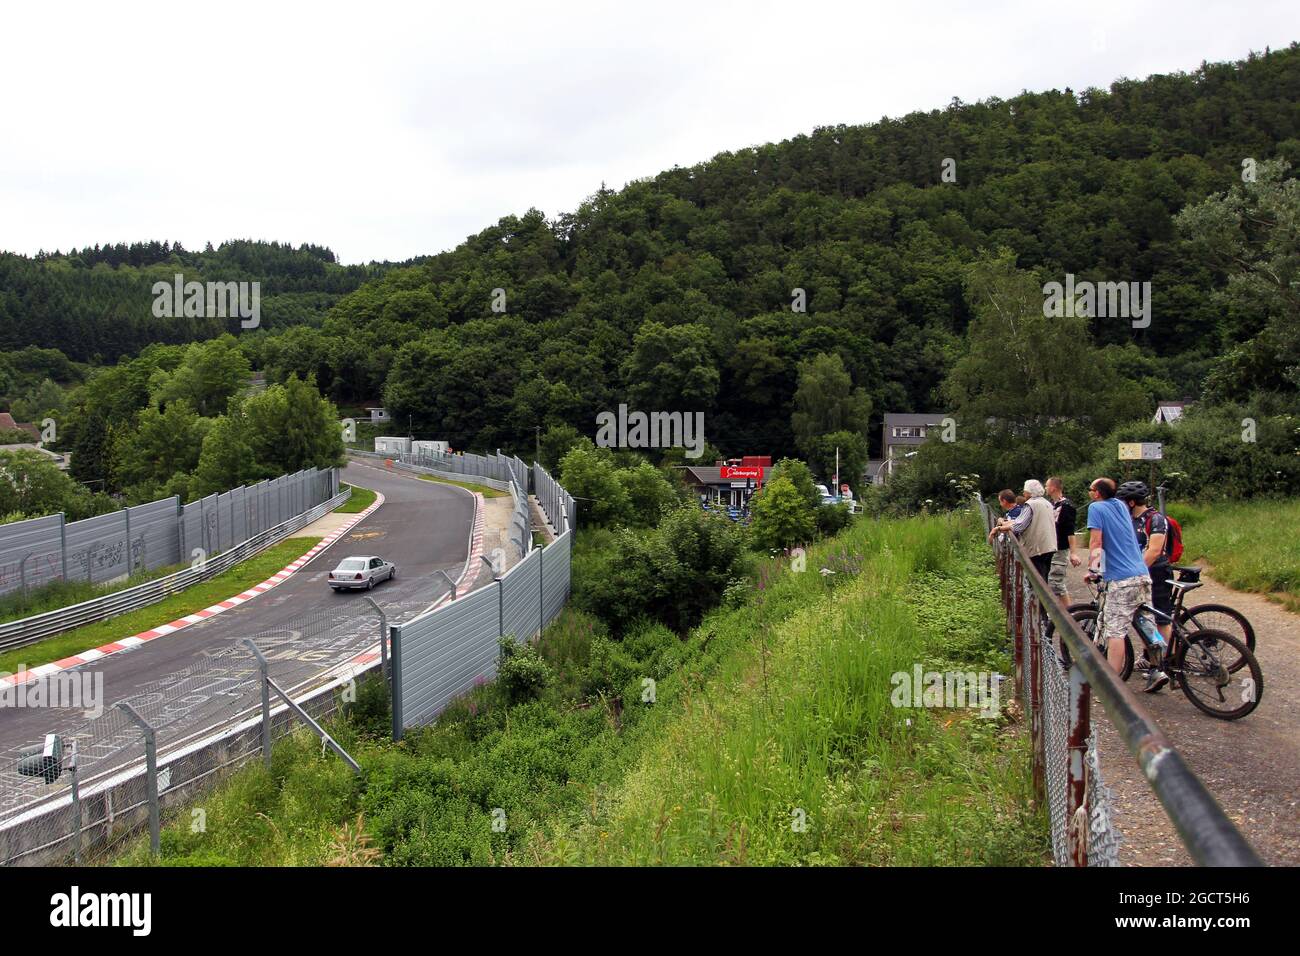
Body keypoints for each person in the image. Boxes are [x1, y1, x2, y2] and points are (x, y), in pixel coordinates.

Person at [1086, 477, 1166, 692]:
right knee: (1148, 626)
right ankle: (1159, 669)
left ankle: (1111, 686)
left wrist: (1093, 570)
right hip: (1141, 574)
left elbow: (1096, 541)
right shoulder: (1121, 506)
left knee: (1116, 632)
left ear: (1097, 493)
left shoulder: (1096, 508)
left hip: (1121, 580)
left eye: (1091, 489)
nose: (1089, 493)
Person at [1117, 480, 1173, 648]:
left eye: (1123, 502)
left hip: (1156, 571)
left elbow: (1154, 551)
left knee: (1161, 619)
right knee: (1142, 617)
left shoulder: (1155, 519)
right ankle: (1151, 654)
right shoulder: (1130, 520)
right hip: (1139, 573)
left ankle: (1166, 659)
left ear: (1132, 502)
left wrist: (1135, 571)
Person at [996, 479, 1056, 582]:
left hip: (1037, 548)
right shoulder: (1047, 503)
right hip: (1049, 546)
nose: (1023, 493)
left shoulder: (1030, 504)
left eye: (1025, 491)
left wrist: (999, 528)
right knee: (1044, 576)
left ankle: (1038, 598)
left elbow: (1019, 525)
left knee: (1036, 580)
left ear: (1030, 492)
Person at [1046, 477, 1082, 608]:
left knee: (1056, 582)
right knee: (1053, 581)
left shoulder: (1066, 506)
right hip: (1052, 548)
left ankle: (1069, 613)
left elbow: (1070, 530)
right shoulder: (1053, 504)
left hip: (1060, 548)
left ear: (1053, 488)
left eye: (1047, 486)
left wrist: (1073, 553)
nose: (1045, 488)